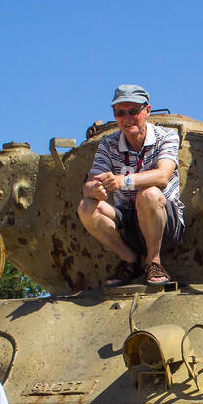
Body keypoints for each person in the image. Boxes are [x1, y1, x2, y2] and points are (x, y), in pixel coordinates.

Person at [79, 84, 184, 287]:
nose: (127, 119)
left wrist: (122, 181)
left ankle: (153, 261)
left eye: (134, 112)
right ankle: (129, 260)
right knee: (86, 206)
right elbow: (89, 184)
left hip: (164, 222)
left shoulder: (167, 136)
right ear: (115, 115)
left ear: (147, 111)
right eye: (121, 113)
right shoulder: (108, 144)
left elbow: (163, 176)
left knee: (149, 195)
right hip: (128, 221)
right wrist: (94, 189)